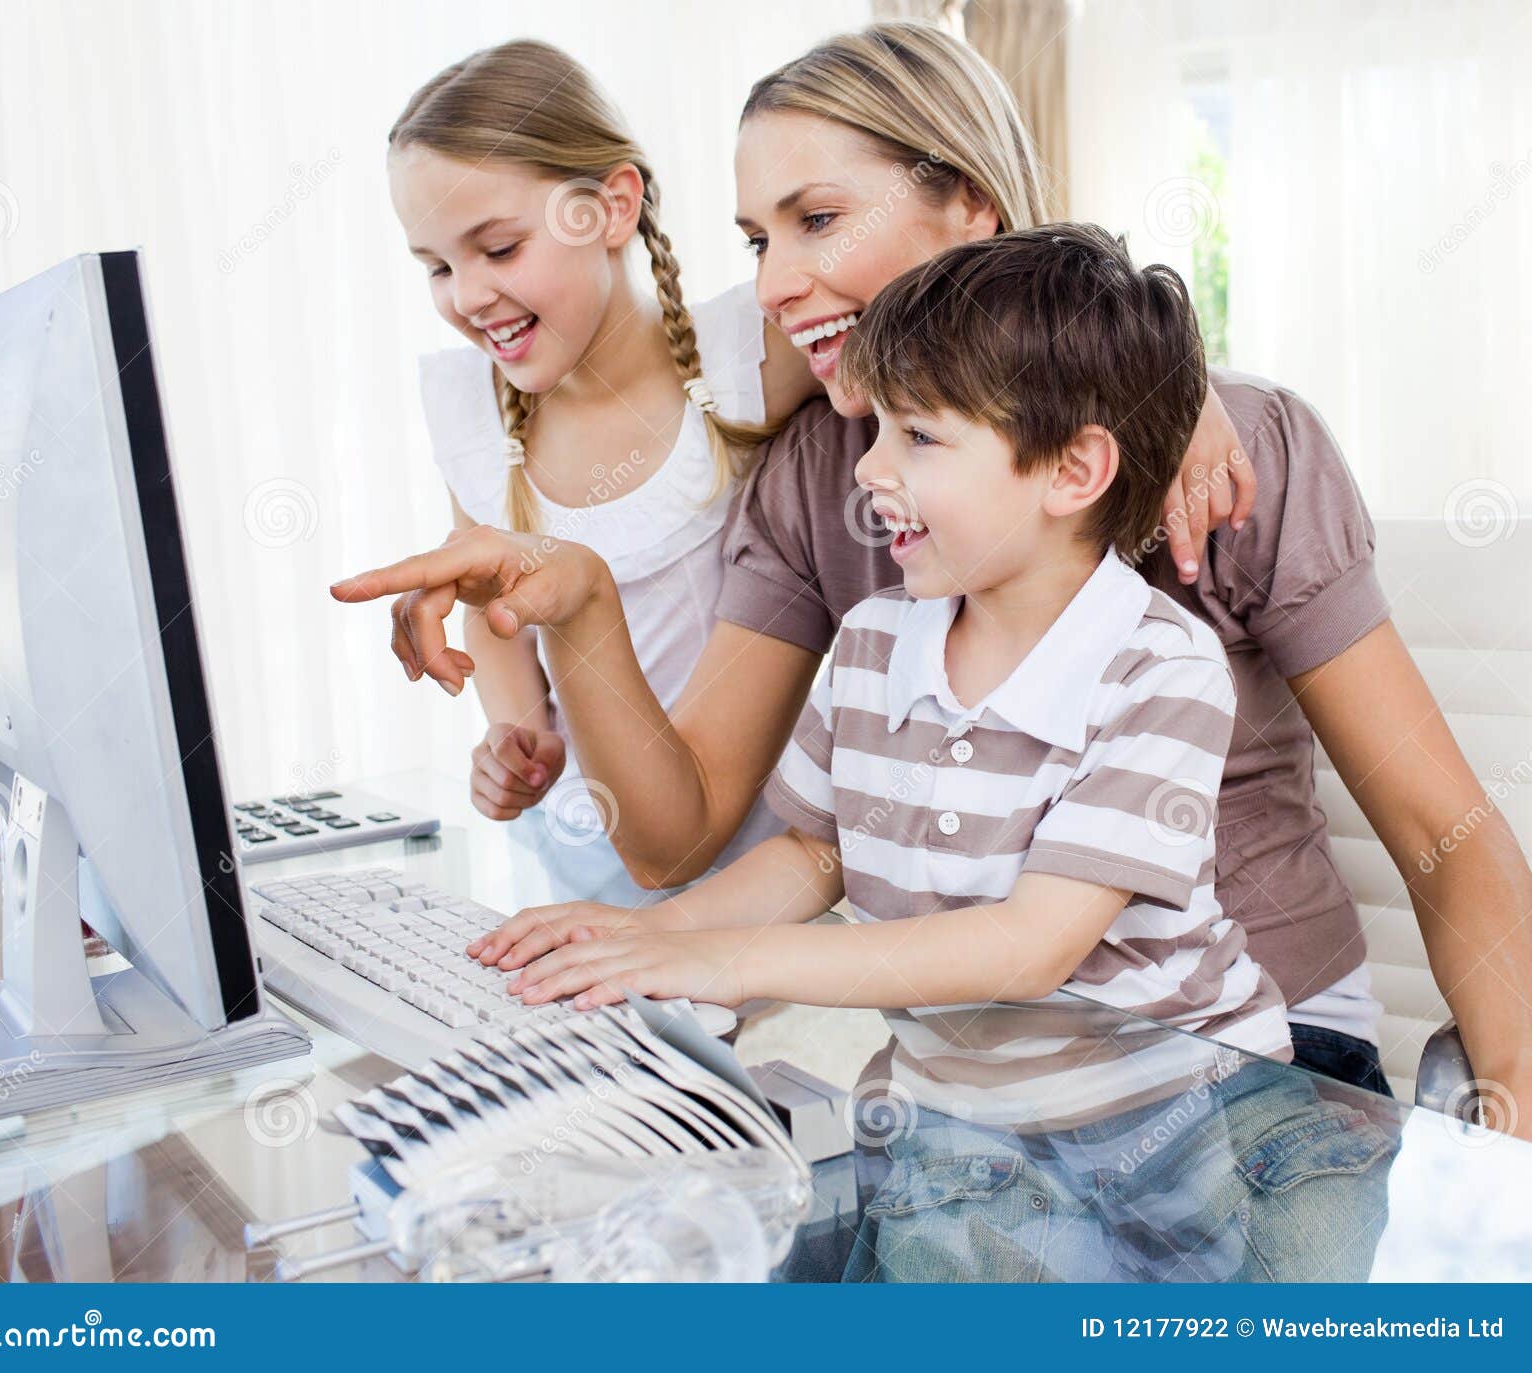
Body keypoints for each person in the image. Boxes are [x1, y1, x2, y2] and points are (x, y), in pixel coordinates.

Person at [335, 23, 1532, 1124]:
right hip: (972, 1075)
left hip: (1243, 1064)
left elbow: (1442, 829)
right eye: (756, 239)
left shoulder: (1228, 450)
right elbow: (683, 838)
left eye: (816, 221)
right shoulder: (817, 478)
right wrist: (582, 600)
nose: (772, 285)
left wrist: (1510, 1122)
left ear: (969, 205)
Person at [480, 229, 1395, 1282]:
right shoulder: (873, 642)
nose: (868, 468)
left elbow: (1028, 945)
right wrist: (648, 935)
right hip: (967, 1142)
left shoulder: (1158, 665)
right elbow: (816, 850)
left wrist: (719, 961)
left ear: (1072, 470)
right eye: (877, 429)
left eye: (917, 435)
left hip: (1181, 1138)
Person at [381, 39, 814, 898]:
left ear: (613, 206)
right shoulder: (470, 409)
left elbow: (954, 318)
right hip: (579, 863)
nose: (465, 296)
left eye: (498, 250)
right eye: (437, 267)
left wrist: (1163, 414)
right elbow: (492, 604)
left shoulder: (748, 355)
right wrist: (516, 735)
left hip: (745, 872)